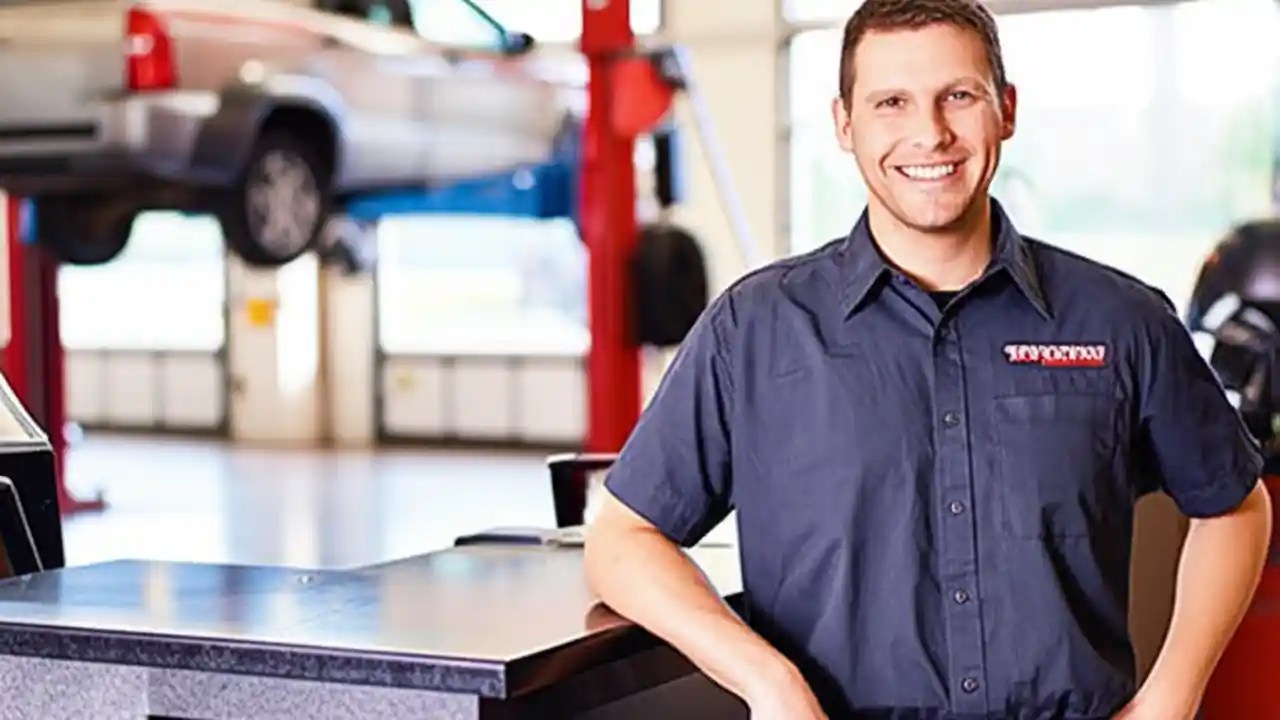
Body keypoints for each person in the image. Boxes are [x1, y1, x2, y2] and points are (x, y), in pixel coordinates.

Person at [583, 1, 1274, 718]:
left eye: (959, 96)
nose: (929, 132)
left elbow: (1233, 504)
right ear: (844, 125)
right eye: (891, 102)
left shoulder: (1121, 321)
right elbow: (623, 540)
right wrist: (768, 682)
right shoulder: (754, 331)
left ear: (1005, 109)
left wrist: (1172, 696)